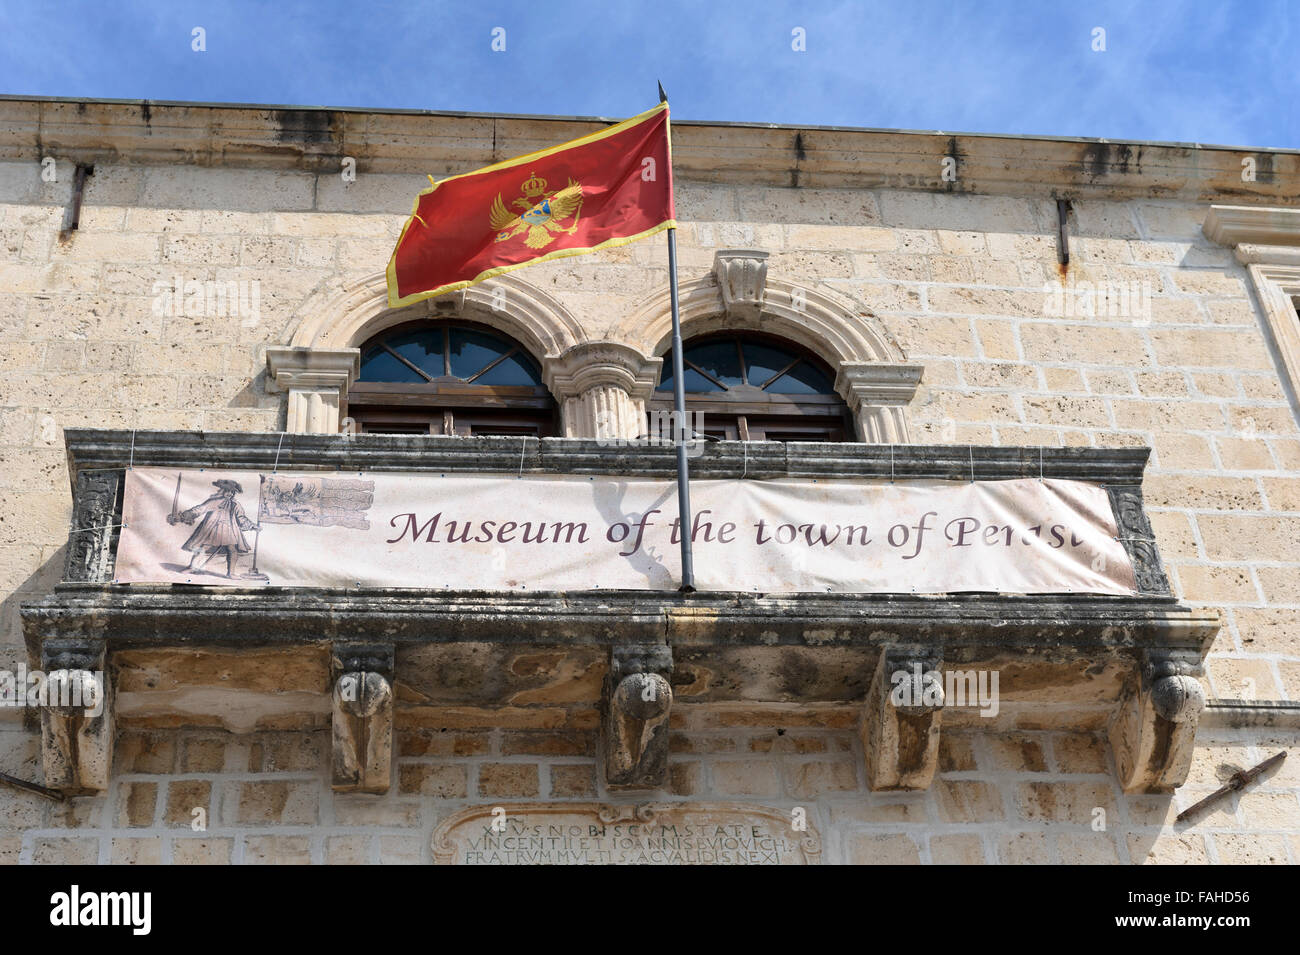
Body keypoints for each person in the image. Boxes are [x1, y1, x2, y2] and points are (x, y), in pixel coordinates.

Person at [168, 479, 259, 578]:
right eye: (227, 491)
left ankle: (231, 573)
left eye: (232, 492)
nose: (230, 494)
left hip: (230, 530)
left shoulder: (235, 504)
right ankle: (192, 567)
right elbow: (199, 509)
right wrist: (183, 516)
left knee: (232, 550)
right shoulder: (214, 501)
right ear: (222, 491)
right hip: (213, 528)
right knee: (202, 548)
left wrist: (252, 526)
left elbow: (241, 517)